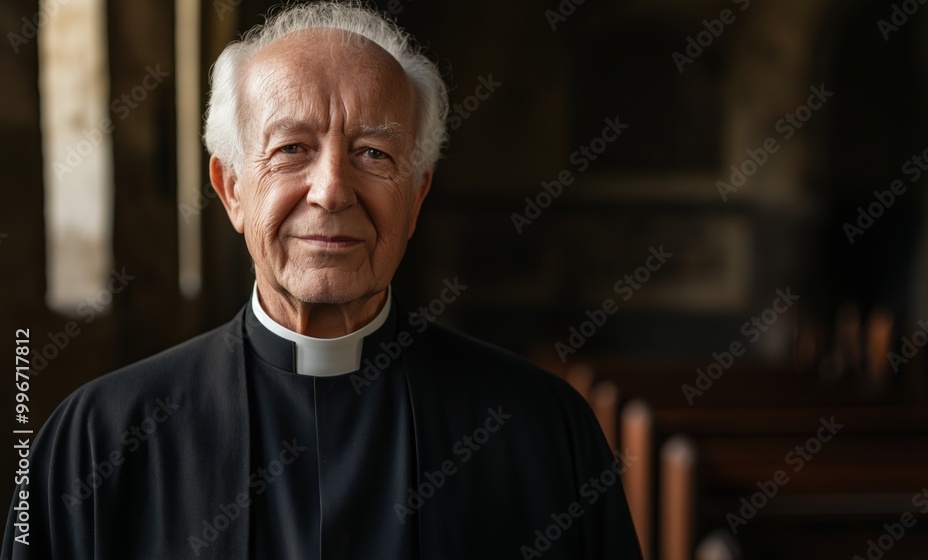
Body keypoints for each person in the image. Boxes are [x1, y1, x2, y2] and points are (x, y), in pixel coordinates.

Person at [2, 2, 641, 559]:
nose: (332, 190)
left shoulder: (539, 432)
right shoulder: (94, 442)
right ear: (231, 191)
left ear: (416, 199)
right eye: (291, 150)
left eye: (374, 154)